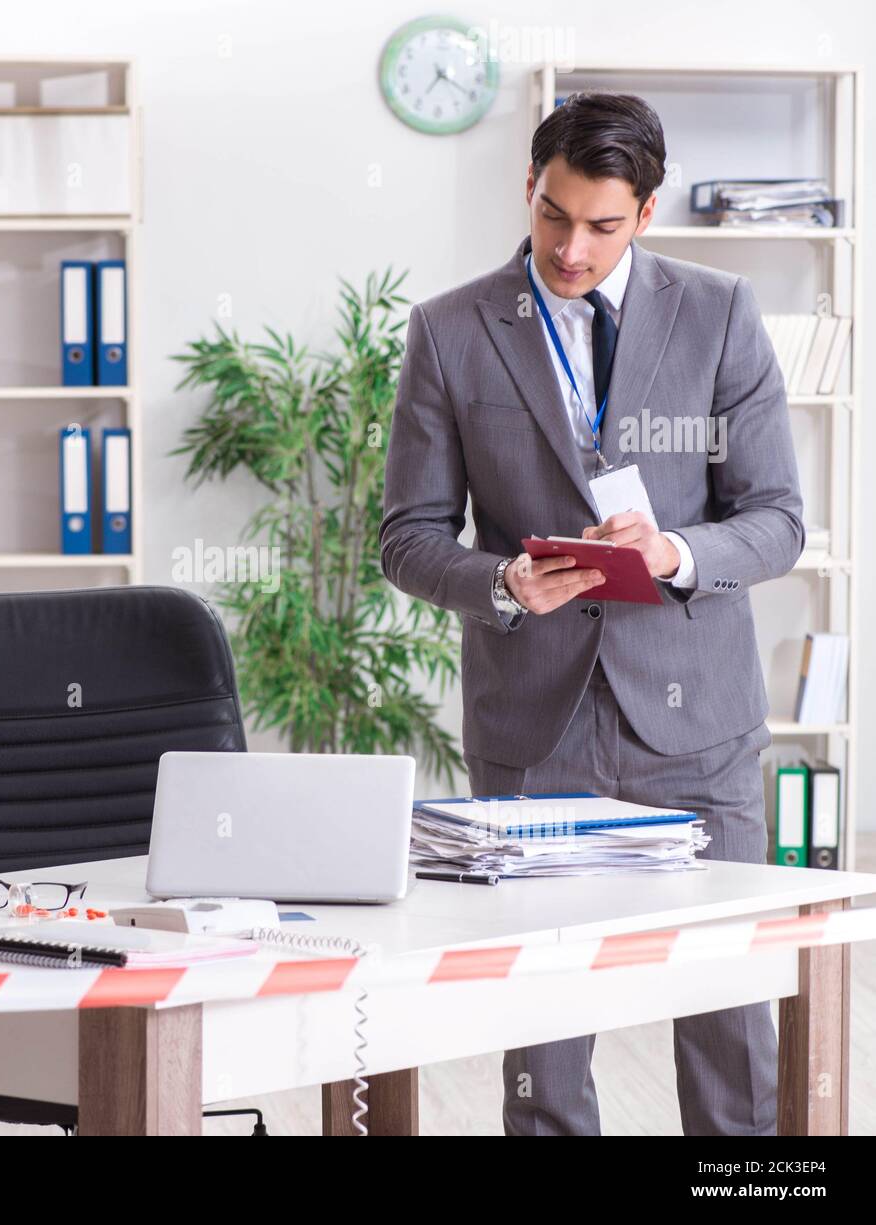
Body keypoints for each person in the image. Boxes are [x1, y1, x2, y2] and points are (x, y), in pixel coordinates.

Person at [379, 91, 804, 1136]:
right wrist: (498, 584)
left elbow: (778, 519)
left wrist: (676, 552)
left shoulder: (719, 312)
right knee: (544, 1020)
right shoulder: (449, 330)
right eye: (553, 215)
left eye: (602, 225)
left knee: (723, 1013)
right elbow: (408, 535)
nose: (571, 248)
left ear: (646, 213)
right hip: (534, 726)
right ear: (528, 189)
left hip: (694, 725)